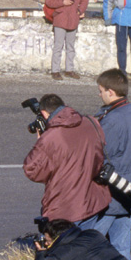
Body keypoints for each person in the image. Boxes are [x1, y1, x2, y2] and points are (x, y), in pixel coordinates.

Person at [22, 93, 110, 228]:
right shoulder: (90, 122)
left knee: (67, 247)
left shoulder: (50, 138)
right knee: (88, 246)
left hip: (65, 208)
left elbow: (32, 170)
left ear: (44, 113)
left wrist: (41, 141)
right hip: (94, 201)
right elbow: (99, 155)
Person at [92, 69, 131, 260]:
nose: (99, 94)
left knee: (89, 245)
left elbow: (99, 155)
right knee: (121, 247)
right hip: (129, 191)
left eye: (101, 90)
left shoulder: (114, 119)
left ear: (111, 92)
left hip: (112, 192)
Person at [44, 0, 88, 81]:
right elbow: (48, 1)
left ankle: (69, 70)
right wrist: (62, 2)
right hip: (60, 19)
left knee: (70, 47)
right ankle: (55, 71)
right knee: (58, 46)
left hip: (73, 20)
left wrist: (79, 10)